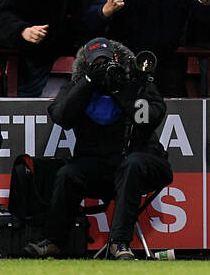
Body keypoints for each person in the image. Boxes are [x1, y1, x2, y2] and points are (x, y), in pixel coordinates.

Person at [26, 38, 172, 260]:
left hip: (143, 160)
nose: (104, 68)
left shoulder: (136, 81)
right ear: (88, 66)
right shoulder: (79, 84)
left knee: (132, 165)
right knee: (68, 174)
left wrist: (121, 89)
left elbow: (150, 118)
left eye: (107, 62)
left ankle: (120, 243)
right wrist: (88, 82)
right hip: (99, 165)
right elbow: (60, 116)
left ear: (117, 58)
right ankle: (54, 241)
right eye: (97, 64)